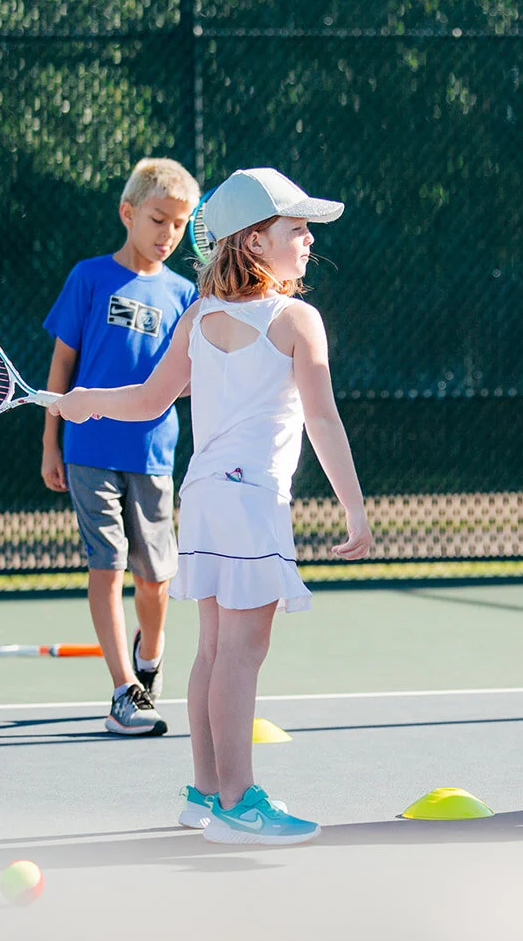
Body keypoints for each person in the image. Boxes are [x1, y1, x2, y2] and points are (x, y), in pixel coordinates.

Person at [51, 167, 371, 845]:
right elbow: (325, 420)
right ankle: (237, 800)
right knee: (242, 655)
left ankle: (202, 791)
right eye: (296, 229)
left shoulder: (199, 315)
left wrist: (88, 402)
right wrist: (355, 508)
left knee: (212, 651)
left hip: (199, 498)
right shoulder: (297, 321)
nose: (309, 239)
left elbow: (145, 399)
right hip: (252, 501)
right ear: (254, 243)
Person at [41, 157, 201, 737]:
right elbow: (63, 364)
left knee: (156, 580)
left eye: (180, 225)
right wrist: (50, 442)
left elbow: (186, 380)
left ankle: (149, 659)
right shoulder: (88, 278)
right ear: (128, 213)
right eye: (159, 219)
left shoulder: (187, 294)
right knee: (106, 566)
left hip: (155, 453)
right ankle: (122, 690)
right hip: (87, 449)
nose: (168, 234)